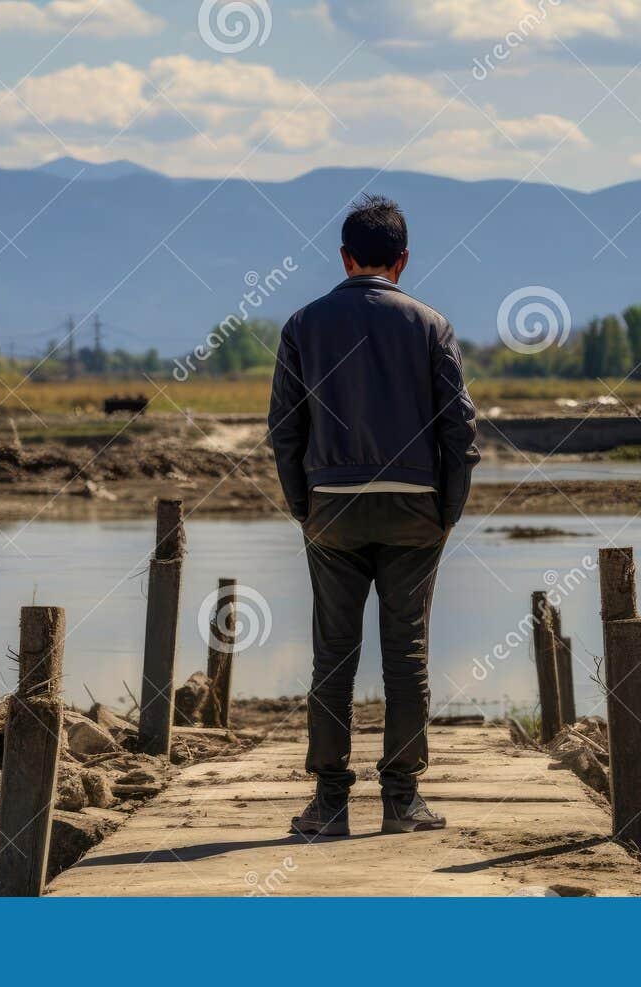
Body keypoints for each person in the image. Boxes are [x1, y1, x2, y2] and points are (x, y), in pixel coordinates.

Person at [267, 194, 479, 837]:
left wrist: (304, 509)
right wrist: (447, 512)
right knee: (406, 653)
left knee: (333, 656)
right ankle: (402, 801)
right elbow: (460, 432)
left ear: (344, 257)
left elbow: (284, 431)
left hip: (332, 510)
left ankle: (330, 804)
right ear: (403, 261)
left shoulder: (303, 325)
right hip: (416, 510)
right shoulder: (432, 326)